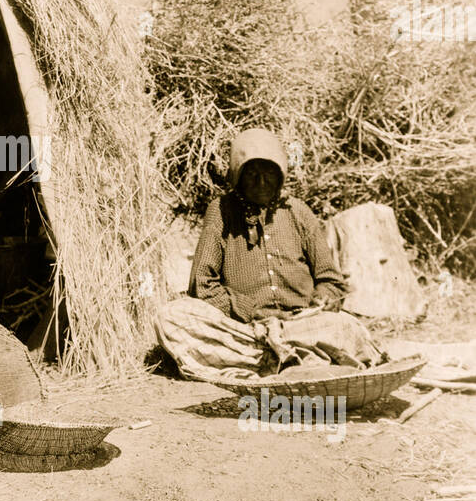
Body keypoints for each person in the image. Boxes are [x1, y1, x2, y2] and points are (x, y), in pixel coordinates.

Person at [156, 128, 386, 381]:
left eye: (269, 174)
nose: (261, 183)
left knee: (346, 327)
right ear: (237, 177)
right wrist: (249, 312)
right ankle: (290, 358)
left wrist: (323, 299)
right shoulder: (221, 211)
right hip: (245, 331)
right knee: (172, 317)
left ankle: (274, 358)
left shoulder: (298, 212)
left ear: (281, 176)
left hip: (301, 324)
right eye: (252, 174)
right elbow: (201, 283)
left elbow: (330, 279)